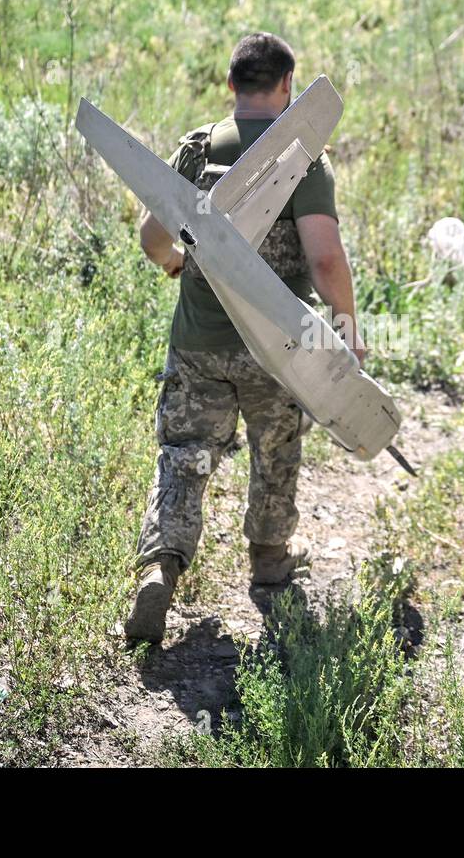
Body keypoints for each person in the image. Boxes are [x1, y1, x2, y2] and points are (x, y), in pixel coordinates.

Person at [124, 32, 364, 646]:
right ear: (287, 86)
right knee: (275, 450)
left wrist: (177, 263)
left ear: (231, 86)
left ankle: (162, 566)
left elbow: (154, 236)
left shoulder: (198, 150)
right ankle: (269, 562)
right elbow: (326, 259)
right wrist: (347, 329)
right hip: (275, 349)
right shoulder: (303, 156)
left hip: (200, 342)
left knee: (185, 456)